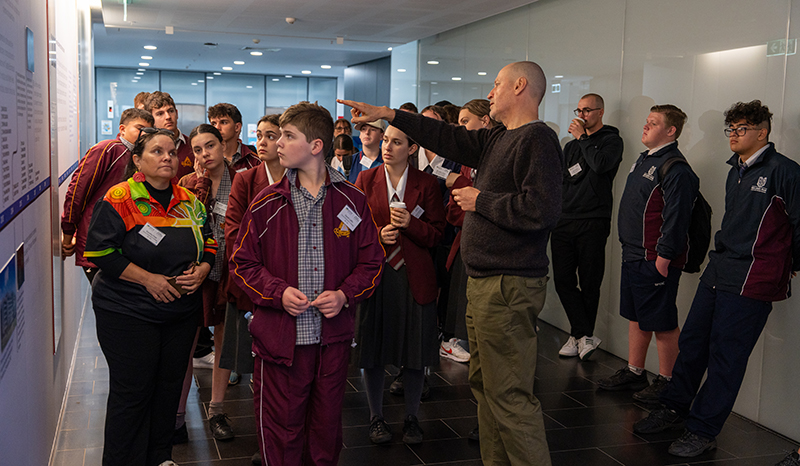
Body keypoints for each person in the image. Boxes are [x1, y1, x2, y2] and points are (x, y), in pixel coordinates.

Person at [339, 60, 562, 466]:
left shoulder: (537, 139)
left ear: (520, 86)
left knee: (508, 392)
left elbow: (543, 210)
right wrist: (389, 114)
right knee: (484, 385)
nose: (490, 93)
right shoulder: (497, 137)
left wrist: (482, 201)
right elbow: (446, 135)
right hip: (485, 280)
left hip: (508, 283)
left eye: (497, 85)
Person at [633, 100, 800, 458]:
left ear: (762, 132)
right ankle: (675, 408)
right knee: (693, 344)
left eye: (742, 129)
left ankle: (702, 430)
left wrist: (791, 264)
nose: (734, 136)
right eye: (731, 129)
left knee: (727, 357)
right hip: (720, 268)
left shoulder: (785, 171)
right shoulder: (735, 169)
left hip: (755, 278)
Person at [229, 102, 384, 466]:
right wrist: (278, 292)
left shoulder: (353, 200)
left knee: (326, 429)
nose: (276, 144)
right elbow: (242, 262)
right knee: (281, 432)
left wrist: (345, 294)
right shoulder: (266, 203)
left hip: (331, 340)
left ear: (316, 146)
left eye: (287, 136)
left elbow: (372, 261)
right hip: (281, 341)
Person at [83, 127, 216, 466]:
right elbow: (100, 253)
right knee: (133, 392)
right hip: (128, 311)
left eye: (171, 151)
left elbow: (210, 241)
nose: (168, 157)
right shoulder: (120, 197)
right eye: (157, 151)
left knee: (168, 388)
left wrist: (203, 268)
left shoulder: (189, 201)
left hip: (179, 313)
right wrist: (149, 280)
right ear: (138, 160)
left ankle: (160, 457)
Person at [597, 105, 699, 405]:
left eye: (653, 123)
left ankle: (668, 381)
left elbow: (677, 218)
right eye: (646, 121)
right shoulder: (645, 159)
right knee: (638, 316)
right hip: (634, 254)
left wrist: (663, 260)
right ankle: (635, 370)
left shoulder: (676, 167)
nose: (645, 127)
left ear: (671, 131)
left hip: (654, 259)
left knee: (662, 321)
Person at [353, 125, 445, 445]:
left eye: (396, 142)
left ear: (412, 148)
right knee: (374, 351)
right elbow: (350, 228)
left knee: (415, 351)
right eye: (386, 140)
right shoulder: (365, 180)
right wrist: (377, 235)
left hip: (414, 277)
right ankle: (376, 416)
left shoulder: (428, 183)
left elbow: (437, 235)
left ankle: (411, 417)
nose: (387, 146)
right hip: (377, 277)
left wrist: (412, 225)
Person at [222, 114, 284, 466]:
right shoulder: (246, 179)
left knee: (281, 376)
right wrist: (261, 268)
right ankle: (265, 445)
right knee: (255, 371)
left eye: (270, 135)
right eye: (258, 135)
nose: (261, 142)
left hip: (289, 286)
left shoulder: (298, 177)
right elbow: (233, 231)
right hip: (252, 285)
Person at [178, 124, 239, 441]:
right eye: (198, 149)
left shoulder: (241, 181)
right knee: (186, 341)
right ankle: (177, 415)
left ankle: (216, 409)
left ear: (223, 144)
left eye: (210, 146)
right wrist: (200, 184)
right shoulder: (188, 183)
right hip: (195, 272)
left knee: (224, 341)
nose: (205, 154)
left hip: (229, 270)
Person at [552, 93, 623, 361]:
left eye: (587, 111)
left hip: (593, 219)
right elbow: (563, 176)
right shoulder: (570, 146)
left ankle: (580, 334)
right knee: (563, 281)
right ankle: (583, 335)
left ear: (601, 112)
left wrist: (583, 138)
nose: (581, 116)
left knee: (590, 281)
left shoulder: (612, 141)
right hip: (564, 219)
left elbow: (600, 165)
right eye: (578, 110)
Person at [61, 108, 154, 282]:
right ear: (122, 129)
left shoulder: (141, 158)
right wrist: (68, 231)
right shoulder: (108, 149)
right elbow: (77, 191)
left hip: (123, 244)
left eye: (148, 131)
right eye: (139, 128)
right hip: (98, 241)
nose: (143, 135)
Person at [441, 99, 497, 365]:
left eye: (466, 122)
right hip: (466, 237)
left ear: (484, 121)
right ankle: (457, 339)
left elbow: (492, 207)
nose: (461, 128)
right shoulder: (466, 162)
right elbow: (454, 210)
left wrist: (469, 192)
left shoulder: (494, 156)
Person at [145, 91, 195, 179]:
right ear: (151, 119)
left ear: (177, 113)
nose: (168, 117)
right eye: (160, 114)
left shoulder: (192, 145)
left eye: (171, 111)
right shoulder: (145, 148)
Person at [208, 102, 260, 172]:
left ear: (237, 127)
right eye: (213, 124)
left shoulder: (254, 161)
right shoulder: (206, 158)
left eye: (224, 122)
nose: (217, 127)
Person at [347, 119, 386, 183]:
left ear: (382, 136)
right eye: (363, 129)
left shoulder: (390, 163)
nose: (367, 132)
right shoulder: (348, 164)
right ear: (360, 135)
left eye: (373, 129)